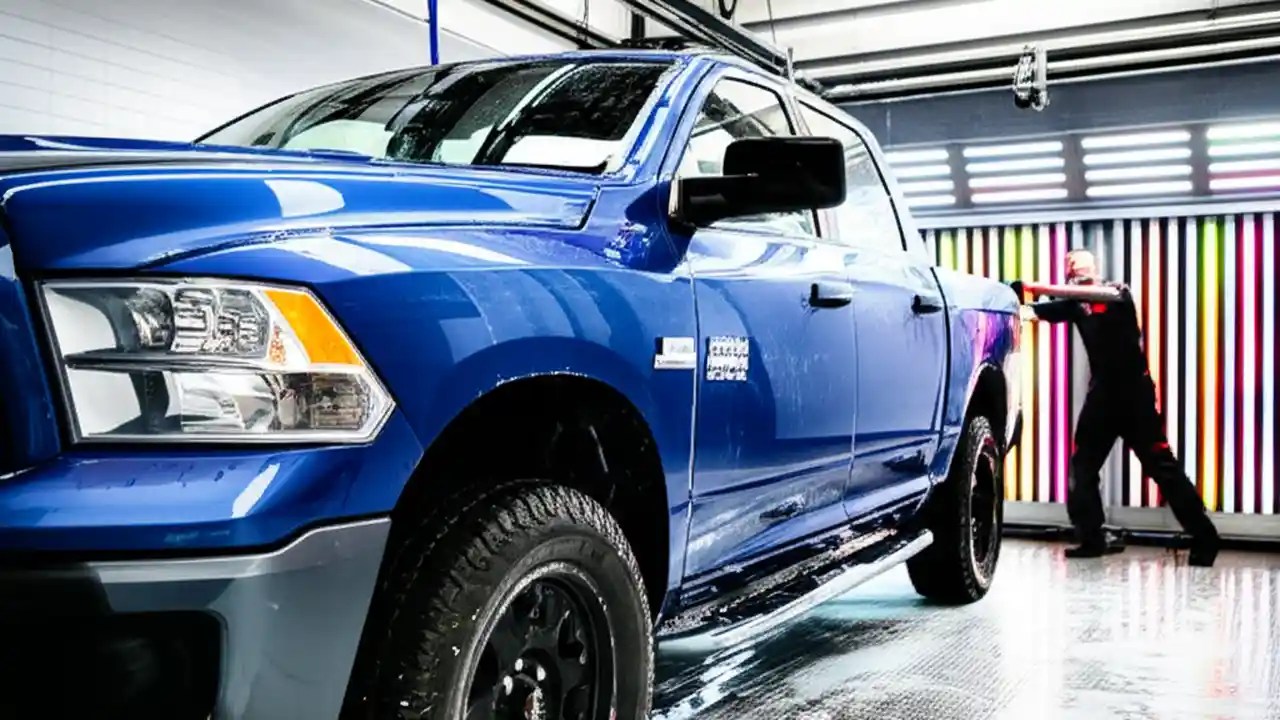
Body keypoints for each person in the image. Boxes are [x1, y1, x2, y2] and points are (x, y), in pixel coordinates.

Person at [1014, 249, 1220, 567]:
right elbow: (1030, 312)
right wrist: (1010, 299)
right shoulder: (1073, 304)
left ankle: (1206, 537)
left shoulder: (1117, 291)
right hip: (1102, 399)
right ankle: (1091, 538)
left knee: (1162, 467)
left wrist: (1036, 285)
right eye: (1068, 262)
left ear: (1094, 266)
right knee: (1082, 467)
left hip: (1135, 395)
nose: (1072, 265)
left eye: (1078, 260)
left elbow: (1090, 294)